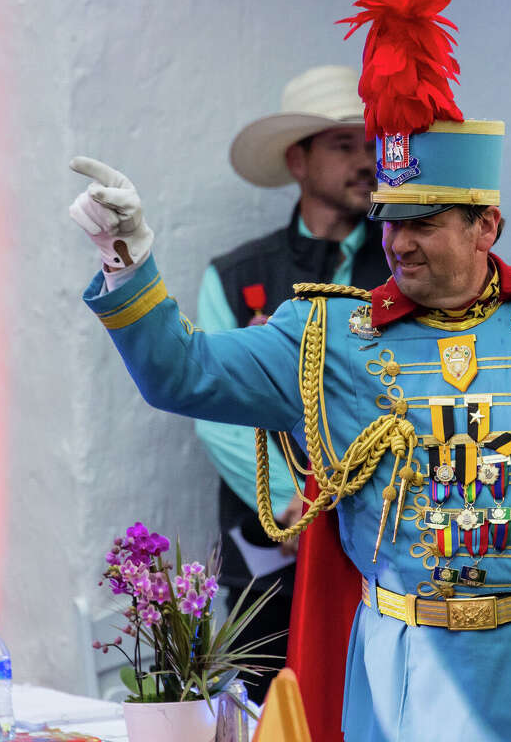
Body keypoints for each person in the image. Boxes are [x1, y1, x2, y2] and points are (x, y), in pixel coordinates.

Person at [68, 0, 511, 740]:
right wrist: (127, 262)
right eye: (390, 220)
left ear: (486, 226)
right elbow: (181, 375)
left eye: (424, 223)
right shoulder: (326, 338)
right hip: (404, 686)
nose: (398, 243)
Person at [195, 64, 385, 704]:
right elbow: (215, 409)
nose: (366, 161)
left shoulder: (408, 262)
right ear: (297, 161)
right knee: (276, 710)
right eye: (344, 145)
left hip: (389, 544)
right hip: (271, 555)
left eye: (371, 144)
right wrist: (292, 500)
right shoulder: (237, 275)